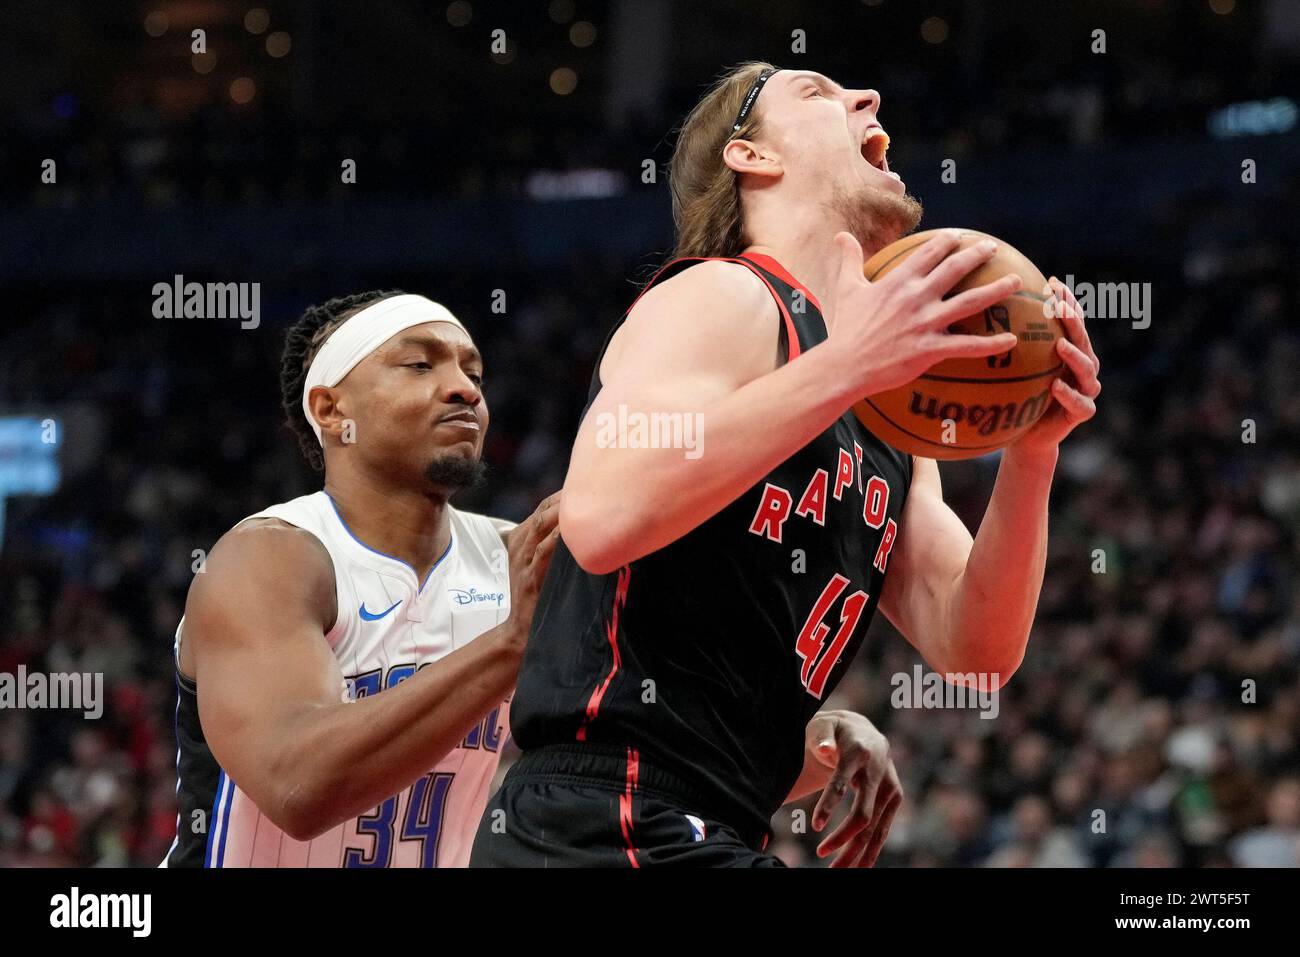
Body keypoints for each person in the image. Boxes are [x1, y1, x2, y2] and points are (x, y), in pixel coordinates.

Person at [471, 62, 1100, 868]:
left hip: (713, 825)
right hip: (604, 816)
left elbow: (975, 648)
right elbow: (601, 518)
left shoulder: (887, 413)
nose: (869, 98)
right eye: (817, 93)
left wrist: (1032, 453)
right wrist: (850, 365)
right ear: (751, 157)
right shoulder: (720, 297)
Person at [162, 290, 559, 867]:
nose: (464, 389)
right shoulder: (271, 558)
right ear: (330, 411)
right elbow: (298, 788)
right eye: (420, 365)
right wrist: (511, 646)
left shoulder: (515, 556)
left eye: (473, 372)